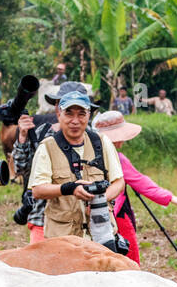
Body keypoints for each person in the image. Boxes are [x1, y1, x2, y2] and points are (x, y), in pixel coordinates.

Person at [92, 110, 177, 263]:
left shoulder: (89, 154)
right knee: (129, 259)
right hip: (115, 216)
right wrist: (172, 198)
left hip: (92, 214)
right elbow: (142, 183)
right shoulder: (118, 159)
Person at [28, 89, 125, 242]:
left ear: (88, 116)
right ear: (59, 115)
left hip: (101, 233)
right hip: (63, 238)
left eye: (81, 114)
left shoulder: (101, 142)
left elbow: (119, 182)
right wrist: (70, 189)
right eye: (69, 113)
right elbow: (38, 190)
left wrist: (99, 202)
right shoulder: (46, 147)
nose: (75, 120)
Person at [12, 81, 90, 242]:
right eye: (66, 108)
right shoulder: (41, 133)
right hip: (43, 216)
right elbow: (21, 168)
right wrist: (23, 137)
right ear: (57, 108)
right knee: (42, 266)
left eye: (79, 110)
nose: (73, 117)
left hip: (85, 219)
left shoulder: (94, 138)